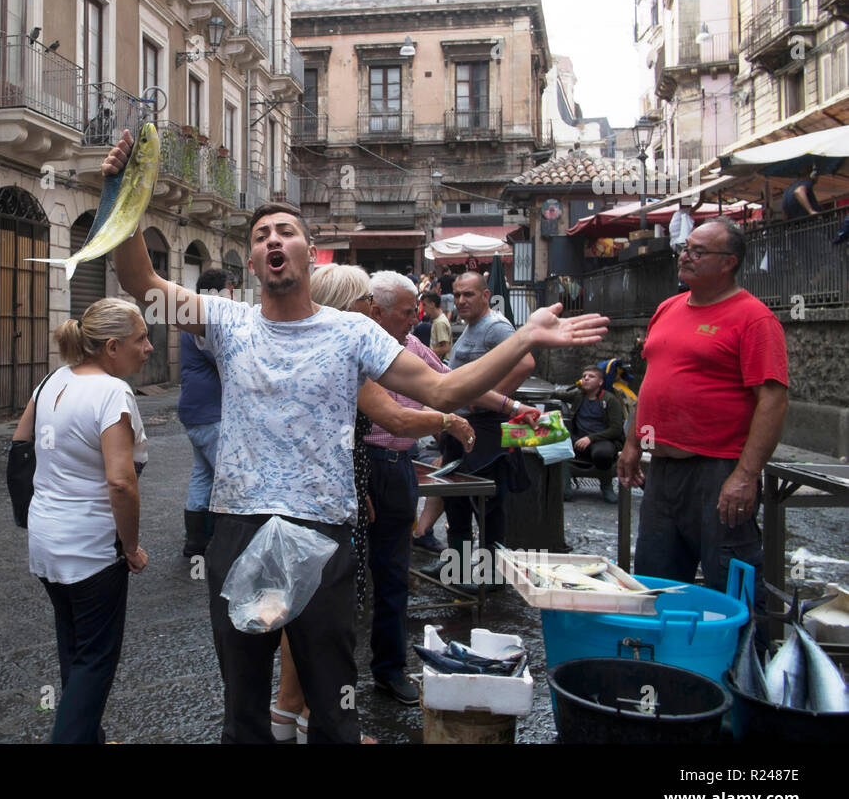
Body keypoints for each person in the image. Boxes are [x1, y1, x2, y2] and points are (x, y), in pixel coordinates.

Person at [105, 126, 607, 743]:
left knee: (335, 709)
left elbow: (445, 391)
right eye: (261, 236)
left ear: (307, 249)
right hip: (237, 524)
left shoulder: (351, 332)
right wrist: (125, 194)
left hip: (323, 527)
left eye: (284, 231)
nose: (272, 240)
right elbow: (143, 286)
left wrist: (524, 338)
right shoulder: (227, 320)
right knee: (242, 710)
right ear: (255, 259)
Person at [272, 265, 473, 737]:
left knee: (304, 608)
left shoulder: (306, 347)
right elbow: (400, 416)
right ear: (350, 306)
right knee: (328, 613)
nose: (373, 311)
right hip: (327, 498)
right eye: (366, 301)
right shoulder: (340, 352)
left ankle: (290, 711)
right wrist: (447, 421)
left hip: (325, 490)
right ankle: (322, 722)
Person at [619, 219, 786, 635]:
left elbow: (773, 399)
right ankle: (669, 672)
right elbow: (651, 381)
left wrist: (745, 476)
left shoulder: (754, 319)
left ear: (729, 263)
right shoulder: (668, 308)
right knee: (656, 582)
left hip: (717, 471)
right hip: (664, 470)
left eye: (698, 251)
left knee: (731, 582)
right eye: (685, 247)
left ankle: (747, 676)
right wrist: (631, 443)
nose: (685, 256)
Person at [14, 298, 150, 743]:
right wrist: (129, 547)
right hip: (93, 548)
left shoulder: (51, 381)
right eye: (140, 339)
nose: (148, 347)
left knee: (73, 649)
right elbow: (121, 483)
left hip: (47, 540)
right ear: (111, 347)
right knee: (95, 661)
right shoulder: (112, 392)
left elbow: (19, 447)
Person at [362, 271, 476, 704]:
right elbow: (397, 417)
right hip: (361, 463)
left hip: (399, 468)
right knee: (339, 579)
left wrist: (511, 404)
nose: (418, 317)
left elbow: (448, 381)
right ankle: (319, 691)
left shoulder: (412, 347)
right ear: (378, 309)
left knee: (393, 575)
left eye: (417, 309)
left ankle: (389, 669)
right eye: (410, 311)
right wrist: (446, 420)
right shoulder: (355, 344)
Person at [440, 271, 539, 589]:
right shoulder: (470, 327)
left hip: (486, 428)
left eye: (468, 294)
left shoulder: (496, 326)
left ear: (486, 295)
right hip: (463, 425)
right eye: (456, 295)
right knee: (455, 499)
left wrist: (494, 401)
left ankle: (493, 576)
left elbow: (525, 363)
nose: (460, 301)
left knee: (487, 503)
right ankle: (457, 570)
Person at [179, 268, 229, 557]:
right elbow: (223, 357)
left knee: (203, 475)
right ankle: (222, 541)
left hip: (195, 412)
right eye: (229, 289)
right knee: (227, 476)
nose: (232, 295)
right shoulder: (205, 320)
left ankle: (195, 542)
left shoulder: (191, 314)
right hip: (211, 413)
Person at [558, 365, 625, 504]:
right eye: (584, 376)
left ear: (600, 382)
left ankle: (606, 486)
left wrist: (590, 438)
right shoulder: (578, 396)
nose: (586, 378)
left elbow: (616, 429)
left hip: (602, 439)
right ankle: (565, 489)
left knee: (603, 454)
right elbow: (556, 395)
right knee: (558, 442)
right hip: (578, 438)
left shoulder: (610, 400)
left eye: (591, 376)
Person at [422, 291, 452, 360]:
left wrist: (426, 353)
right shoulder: (437, 321)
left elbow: (445, 348)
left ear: (432, 304)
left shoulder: (440, 323)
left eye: (424, 305)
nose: (423, 308)